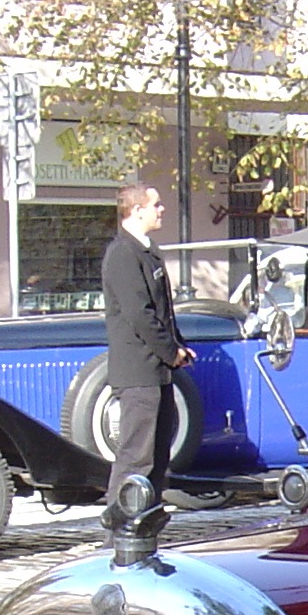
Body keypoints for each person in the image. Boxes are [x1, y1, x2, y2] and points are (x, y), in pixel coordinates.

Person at [100, 182, 192, 503]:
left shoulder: (146, 251)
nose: (161, 209)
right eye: (156, 204)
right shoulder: (123, 254)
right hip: (139, 375)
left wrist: (178, 345)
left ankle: (146, 525)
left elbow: (162, 311)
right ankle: (120, 532)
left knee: (157, 456)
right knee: (135, 458)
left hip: (157, 374)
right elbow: (140, 314)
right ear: (137, 211)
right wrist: (170, 352)